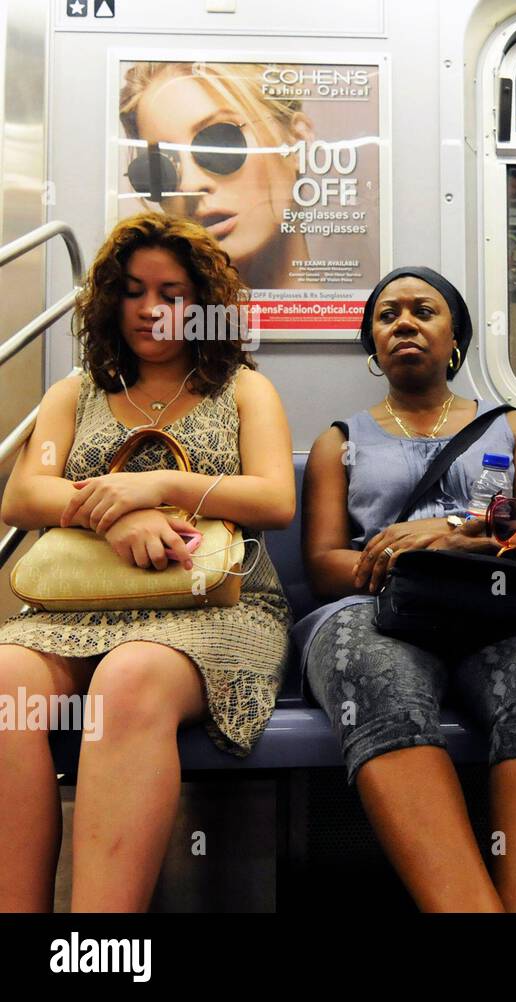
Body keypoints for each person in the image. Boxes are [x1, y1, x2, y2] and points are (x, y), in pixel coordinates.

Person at [0, 212, 295, 912]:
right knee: (4, 682)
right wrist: (119, 515)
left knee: (129, 679)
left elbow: (275, 497)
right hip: (83, 605)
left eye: (171, 293)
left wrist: (159, 485)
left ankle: (98, 950)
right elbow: (26, 491)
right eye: (133, 291)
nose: (150, 310)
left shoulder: (245, 391)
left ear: (203, 307)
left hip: (217, 601)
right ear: (110, 301)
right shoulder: (75, 394)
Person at [296, 265, 516, 913]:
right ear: (373, 344)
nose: (404, 322)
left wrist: (449, 536)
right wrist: (404, 568)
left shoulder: (510, 427)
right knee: (378, 673)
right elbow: (324, 565)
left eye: (423, 311)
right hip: (373, 607)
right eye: (388, 314)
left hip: (496, 602)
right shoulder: (339, 442)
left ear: (454, 336)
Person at [119, 61, 316, 291]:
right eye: (161, 165)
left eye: (219, 141)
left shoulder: (362, 321)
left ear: (297, 142)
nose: (190, 185)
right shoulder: (152, 322)